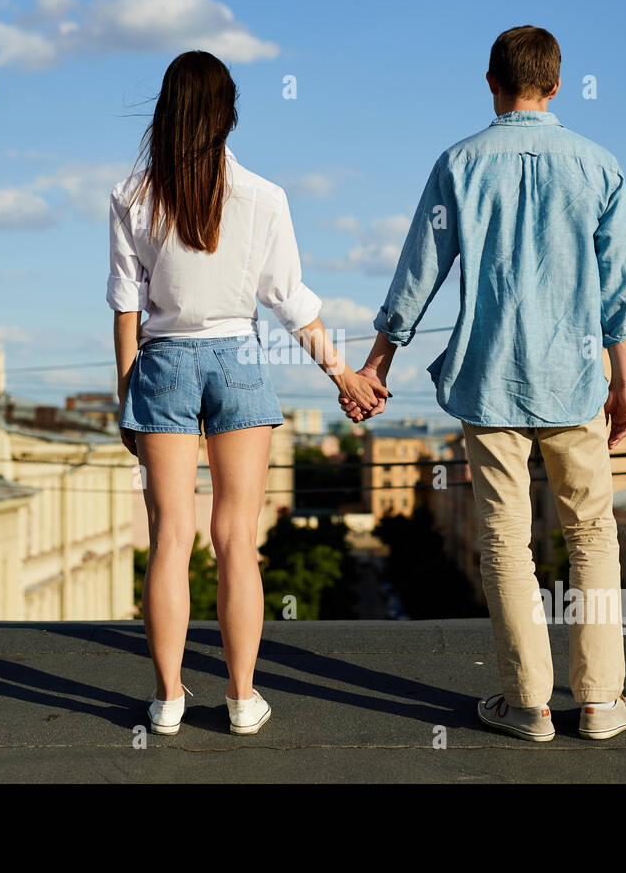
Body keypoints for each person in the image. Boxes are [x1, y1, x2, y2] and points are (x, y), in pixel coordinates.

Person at [342, 25, 626, 742]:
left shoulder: (460, 164)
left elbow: (420, 270)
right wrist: (624, 380)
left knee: (507, 539)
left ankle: (528, 705)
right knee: (592, 535)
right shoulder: (600, 166)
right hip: (575, 378)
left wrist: (378, 362)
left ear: (490, 82)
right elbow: (621, 292)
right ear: (558, 84)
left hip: (491, 378)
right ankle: (600, 704)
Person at [108, 50, 389, 737]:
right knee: (236, 538)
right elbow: (292, 305)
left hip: (163, 363)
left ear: (165, 110)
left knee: (170, 536)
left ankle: (169, 700)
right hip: (238, 357)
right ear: (228, 114)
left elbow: (125, 308)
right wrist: (346, 377)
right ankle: (240, 699)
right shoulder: (265, 197)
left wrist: (127, 397)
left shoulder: (131, 195)